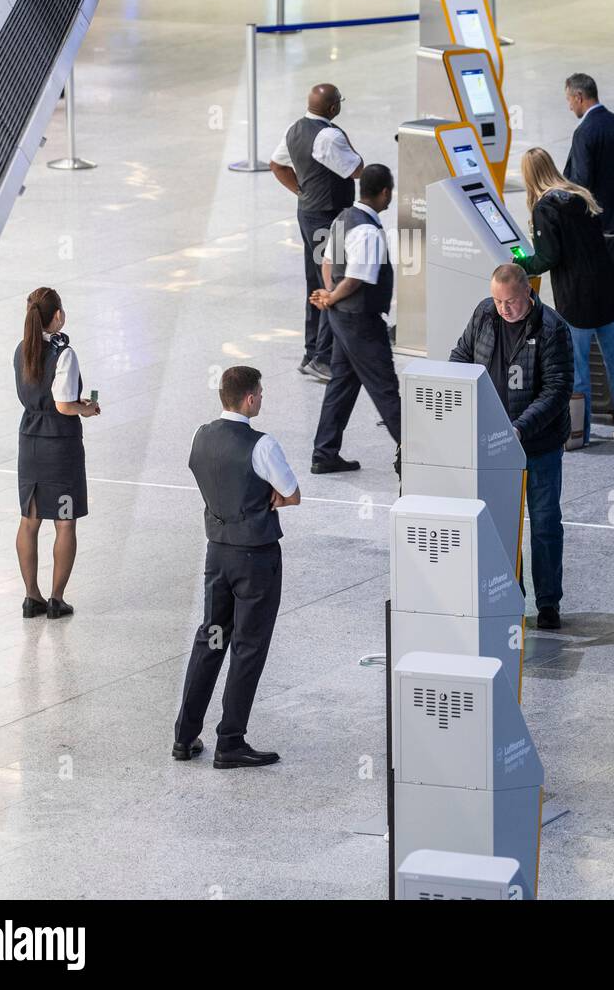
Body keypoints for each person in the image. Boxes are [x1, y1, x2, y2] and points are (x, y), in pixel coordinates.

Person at [173, 366, 300, 768]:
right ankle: (230, 741)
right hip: (256, 557)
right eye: (260, 394)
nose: (262, 399)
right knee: (248, 647)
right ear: (248, 399)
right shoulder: (262, 445)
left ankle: (184, 736)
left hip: (217, 551)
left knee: (210, 638)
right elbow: (292, 494)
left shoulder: (201, 435)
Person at [449, 262, 573, 629]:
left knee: (545, 522)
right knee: (502, 525)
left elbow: (557, 391)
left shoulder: (552, 329)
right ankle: (510, 596)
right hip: (493, 445)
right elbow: (461, 356)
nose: (505, 309)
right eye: (498, 301)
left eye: (512, 302)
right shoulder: (484, 314)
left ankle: (549, 602)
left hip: (539, 446)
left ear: (528, 294)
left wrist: (519, 429)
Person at [516, 147, 614, 445]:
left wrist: (521, 263)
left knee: (576, 366)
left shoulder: (544, 208)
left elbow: (548, 257)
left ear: (529, 175)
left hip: (576, 298)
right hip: (609, 289)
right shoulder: (579, 196)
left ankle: (577, 432)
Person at [14, 287, 100, 620]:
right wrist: (87, 409)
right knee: (64, 522)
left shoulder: (21, 350)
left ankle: (30, 597)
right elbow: (64, 405)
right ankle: (56, 600)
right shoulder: (65, 354)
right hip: (59, 446)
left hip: (29, 441)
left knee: (30, 519)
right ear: (58, 316)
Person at [310, 163, 400, 476]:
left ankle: (324, 452)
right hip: (361, 321)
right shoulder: (368, 231)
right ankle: (415, 455)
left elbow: (328, 262)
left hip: (341, 319)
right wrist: (333, 296)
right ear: (385, 192)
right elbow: (356, 279)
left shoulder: (343, 218)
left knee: (342, 384)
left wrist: (327, 294)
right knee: (385, 387)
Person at [270, 84, 363, 384]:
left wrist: (300, 190)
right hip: (329, 216)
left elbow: (277, 164)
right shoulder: (331, 136)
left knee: (314, 280)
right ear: (334, 108)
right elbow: (356, 169)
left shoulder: (294, 128)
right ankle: (322, 358)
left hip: (308, 213)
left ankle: (311, 351)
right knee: (332, 281)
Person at [563, 73, 614, 232]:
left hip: (593, 222)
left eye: (569, 99)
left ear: (578, 97)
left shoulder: (584, 133)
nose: (570, 106)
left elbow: (581, 182)